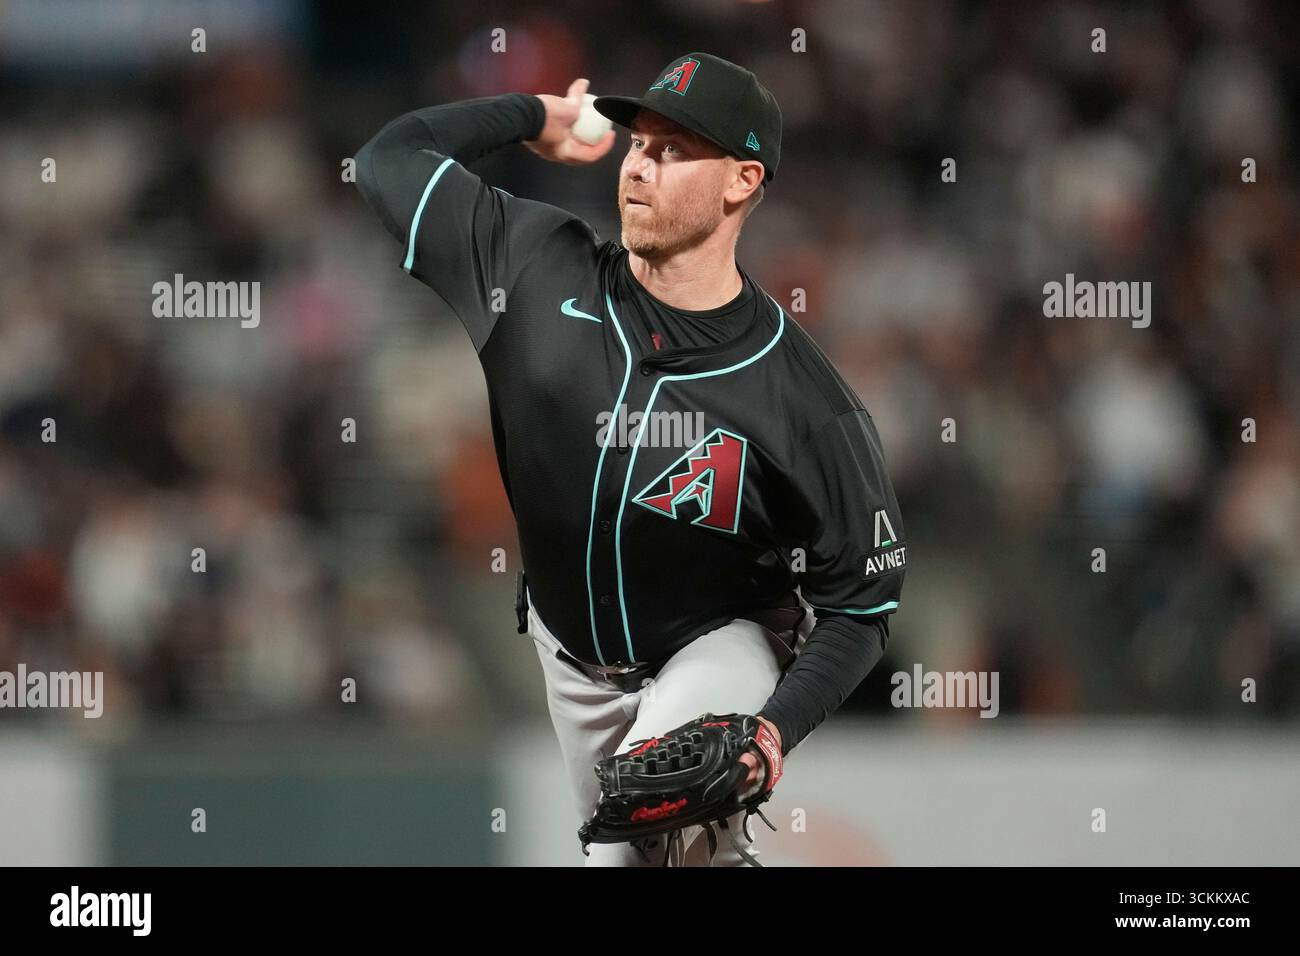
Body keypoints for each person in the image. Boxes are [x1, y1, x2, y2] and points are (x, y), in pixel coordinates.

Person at [353, 52, 906, 866]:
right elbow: (386, 161)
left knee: (620, 850)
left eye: (674, 151)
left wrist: (771, 731)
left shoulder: (805, 401)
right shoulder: (531, 266)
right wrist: (535, 115)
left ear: (742, 181)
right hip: (570, 659)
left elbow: (862, 605)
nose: (639, 167)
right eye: (639, 143)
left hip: (719, 642)